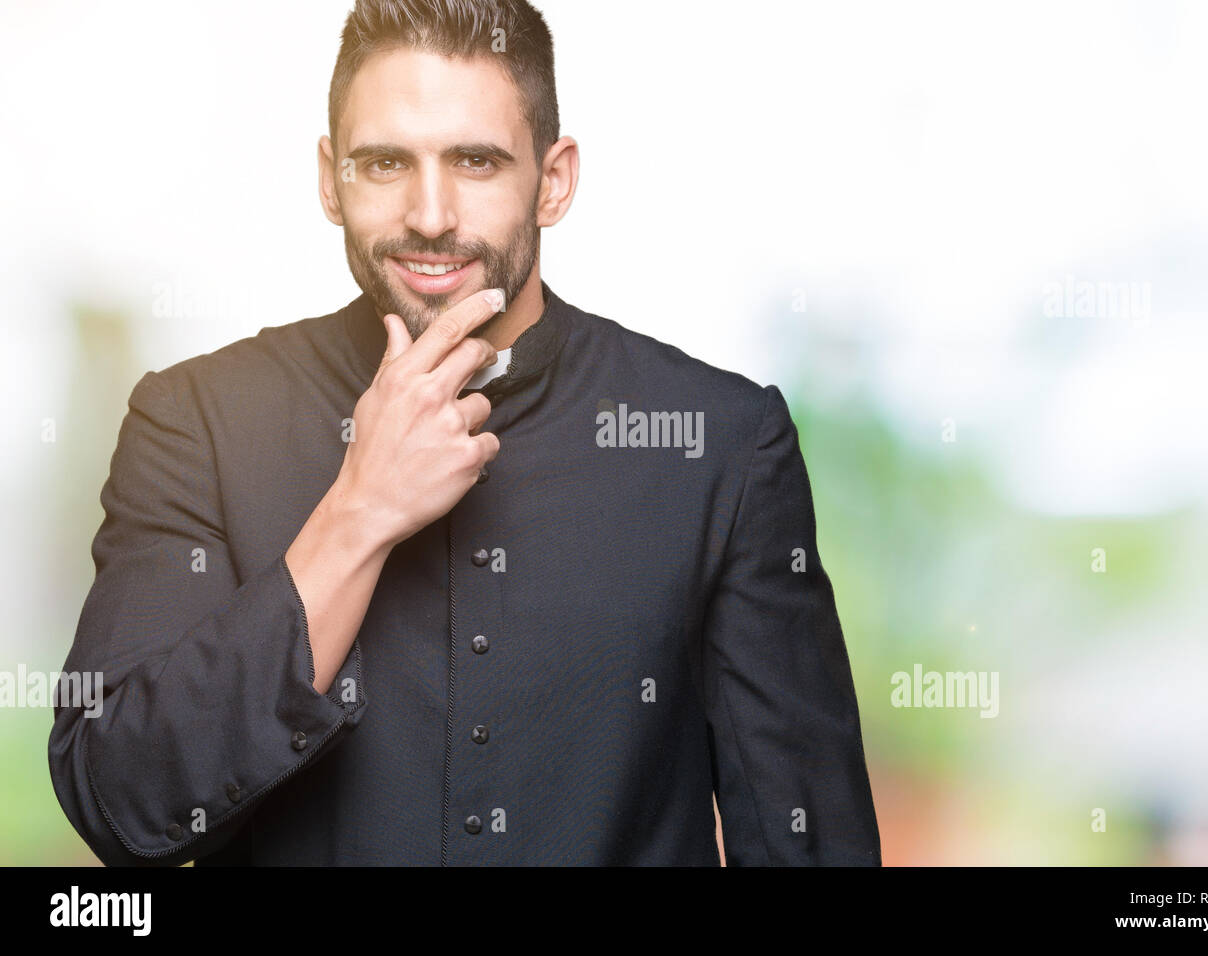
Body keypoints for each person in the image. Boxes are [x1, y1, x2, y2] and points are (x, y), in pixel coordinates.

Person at [48, 0, 882, 866]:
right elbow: (121, 802)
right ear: (331, 179)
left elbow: (813, 845)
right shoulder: (196, 423)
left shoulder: (722, 445)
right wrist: (357, 514)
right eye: (384, 163)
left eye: (476, 161)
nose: (432, 214)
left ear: (553, 180)